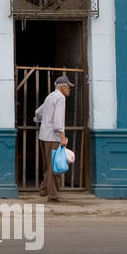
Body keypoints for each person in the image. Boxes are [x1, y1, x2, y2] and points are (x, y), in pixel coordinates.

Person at [35, 74, 72, 202]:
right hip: (53, 137)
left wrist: (41, 121)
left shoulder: (50, 96)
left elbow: (38, 112)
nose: (69, 90)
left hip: (44, 135)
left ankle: (44, 189)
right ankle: (54, 195)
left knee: (49, 165)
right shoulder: (60, 98)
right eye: (68, 87)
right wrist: (62, 136)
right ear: (63, 87)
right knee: (55, 167)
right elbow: (58, 120)